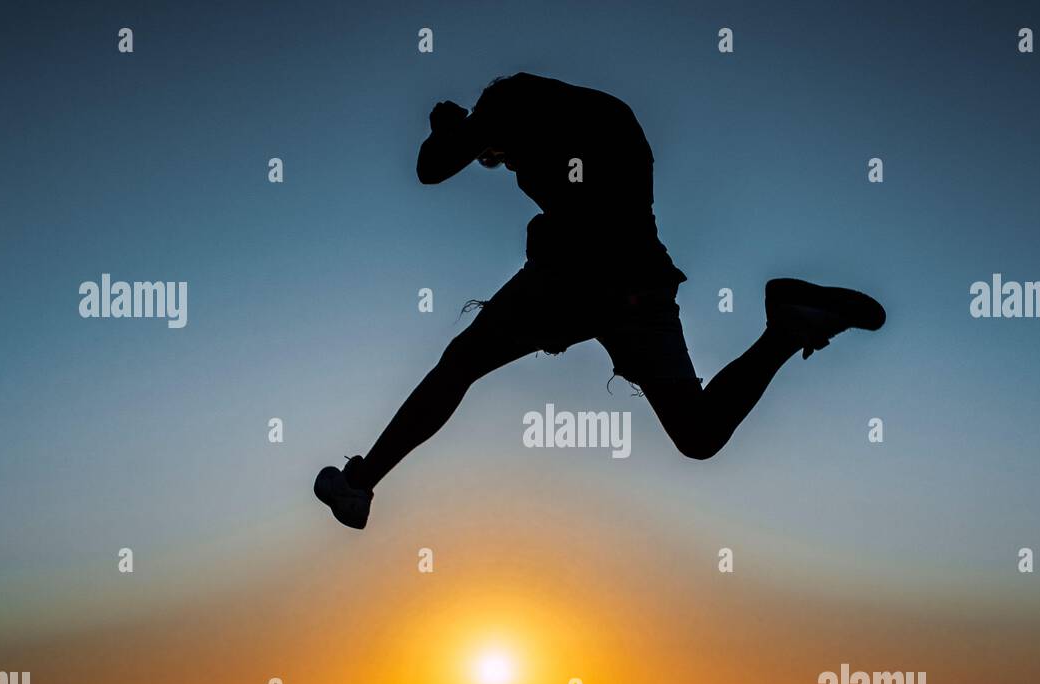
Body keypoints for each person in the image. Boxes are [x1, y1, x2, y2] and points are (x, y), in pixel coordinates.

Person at [316, 73, 885, 529]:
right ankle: (786, 325)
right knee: (699, 435)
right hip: (639, 278)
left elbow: (430, 169)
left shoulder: (511, 102)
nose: (510, 166)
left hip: (577, 272)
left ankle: (361, 483)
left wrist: (451, 130)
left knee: (460, 364)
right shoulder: (601, 112)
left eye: (503, 158)